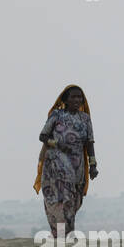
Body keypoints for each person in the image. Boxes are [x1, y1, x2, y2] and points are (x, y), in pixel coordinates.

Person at [33, 85, 98, 237]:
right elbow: (43, 136)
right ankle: (64, 235)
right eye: (73, 97)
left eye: (79, 97)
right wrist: (57, 144)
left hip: (78, 164)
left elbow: (90, 142)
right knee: (62, 199)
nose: (77, 100)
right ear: (65, 100)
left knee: (74, 200)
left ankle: (62, 234)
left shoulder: (85, 118)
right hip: (56, 163)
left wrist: (93, 164)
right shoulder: (57, 115)